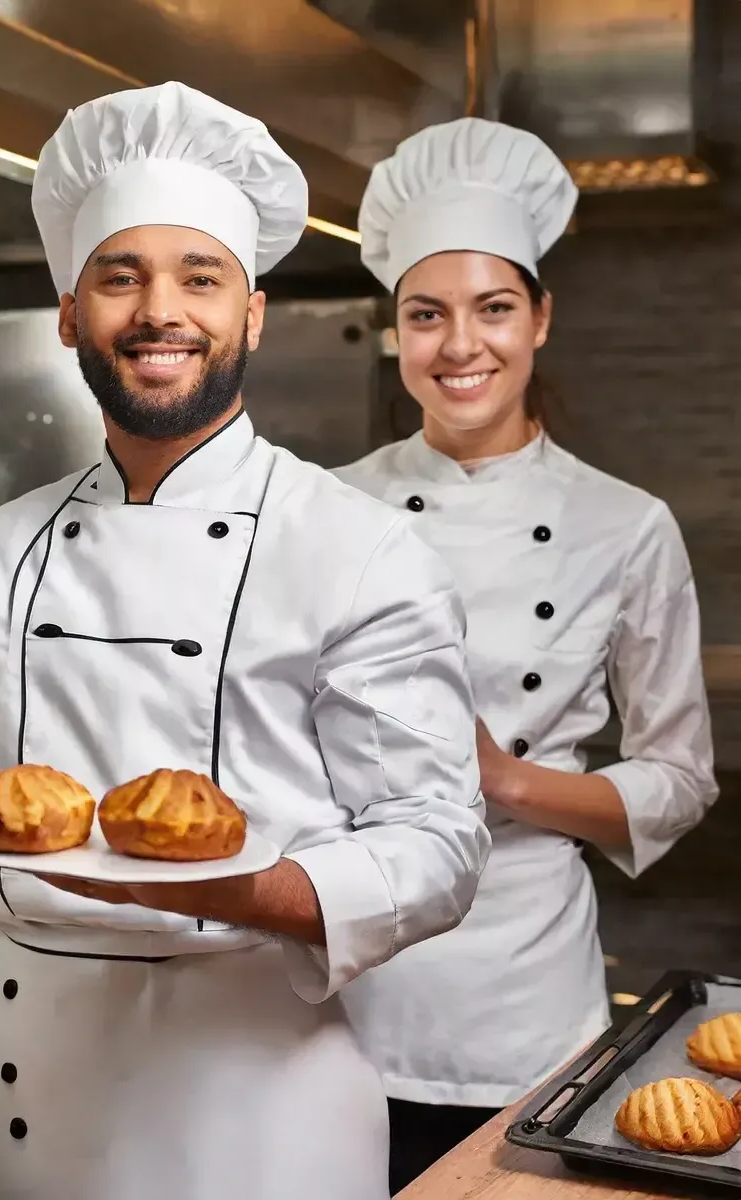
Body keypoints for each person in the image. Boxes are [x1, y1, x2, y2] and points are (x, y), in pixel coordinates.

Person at [0, 82, 490, 1200]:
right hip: (10, 1090)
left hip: (255, 1099)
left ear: (255, 313)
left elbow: (437, 847)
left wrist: (217, 887)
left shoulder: (362, 550)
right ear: (70, 315)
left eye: (200, 277)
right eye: (120, 276)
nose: (158, 311)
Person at [332, 117, 719, 1191]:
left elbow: (681, 777)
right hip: (338, 976)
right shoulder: (324, 509)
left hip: (522, 992)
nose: (462, 346)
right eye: (427, 315)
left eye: (493, 308)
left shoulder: (625, 525)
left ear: (540, 319)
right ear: (396, 329)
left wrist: (505, 778)